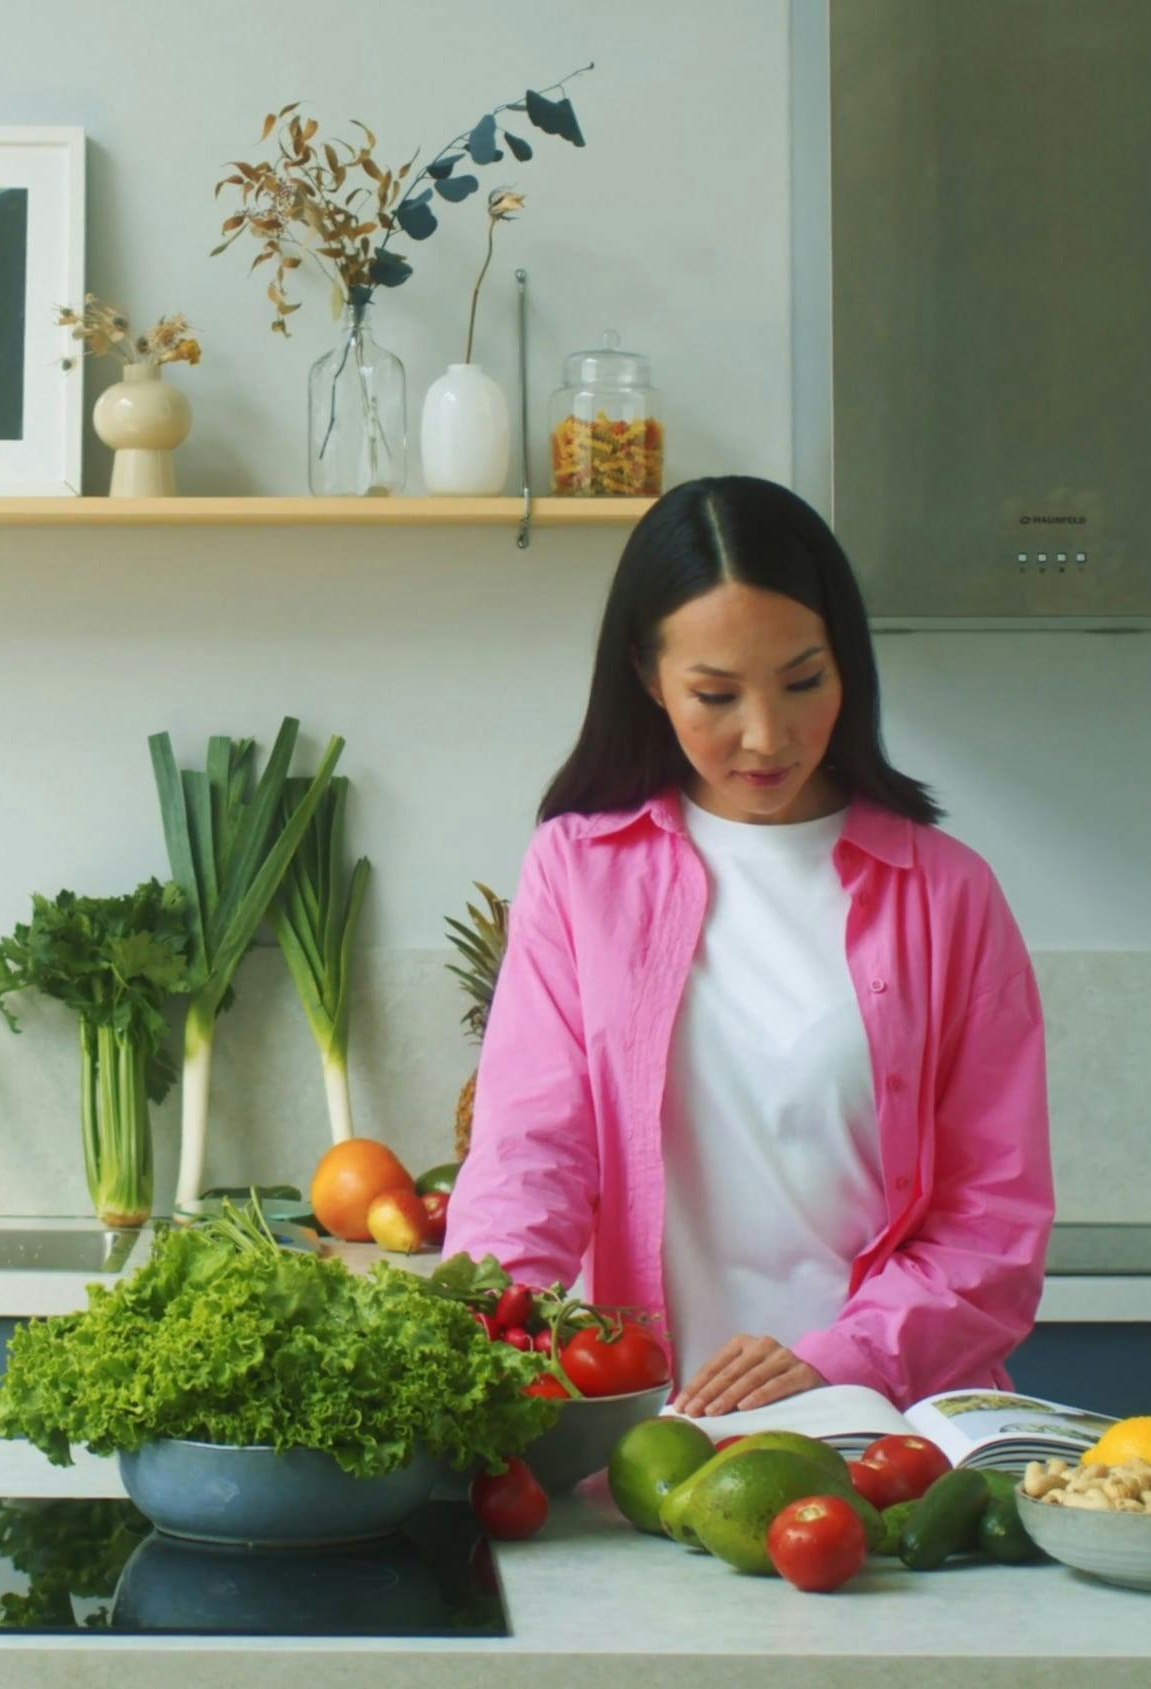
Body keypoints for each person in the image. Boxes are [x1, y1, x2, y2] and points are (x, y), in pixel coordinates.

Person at [445, 476, 1053, 1415]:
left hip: (889, 1440)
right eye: (716, 694)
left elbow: (993, 1223)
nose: (767, 736)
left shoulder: (948, 894)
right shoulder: (581, 872)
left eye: (803, 681)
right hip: (655, 1442)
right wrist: (476, 1347)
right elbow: (530, 1158)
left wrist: (838, 1362)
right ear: (649, 678)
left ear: (846, 663)